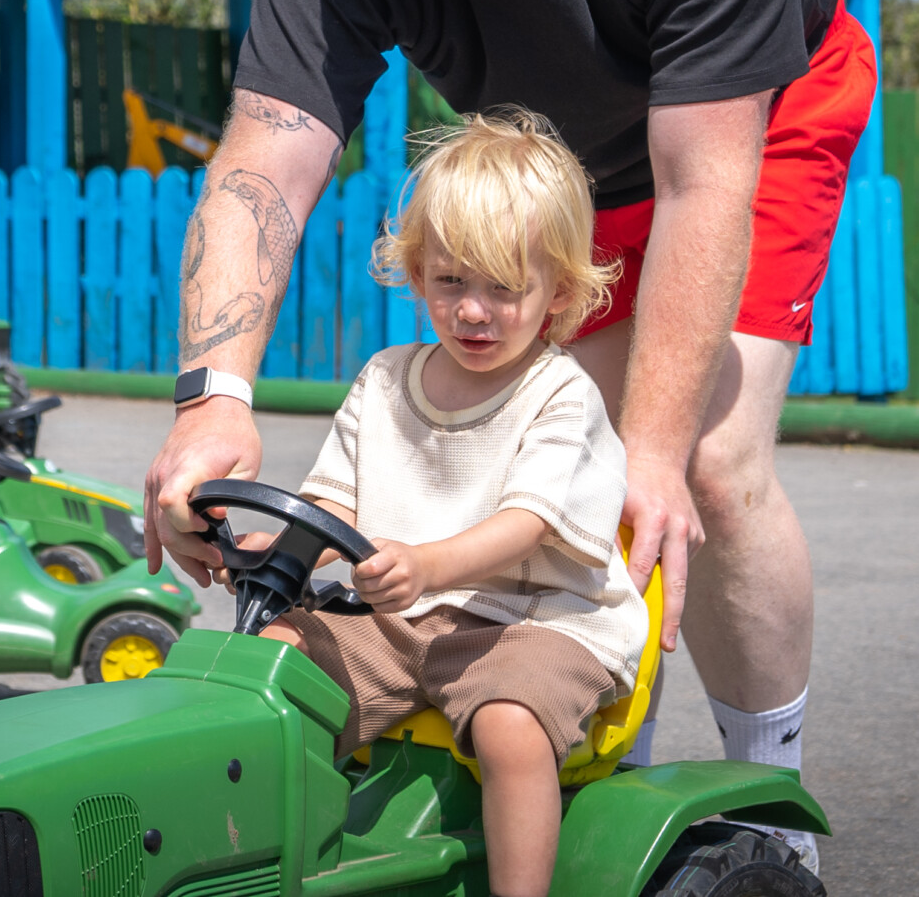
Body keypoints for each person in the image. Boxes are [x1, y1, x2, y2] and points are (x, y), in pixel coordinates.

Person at [148, 0, 871, 870]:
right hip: (554, 158)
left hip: (755, 111)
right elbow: (262, 164)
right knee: (538, 449)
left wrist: (645, 448)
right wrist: (209, 402)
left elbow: (705, 184)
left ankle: (767, 808)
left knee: (693, 463)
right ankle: (590, 749)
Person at [251, 111, 643, 897]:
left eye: (503, 287)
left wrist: (426, 563)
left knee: (508, 726)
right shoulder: (387, 377)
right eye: (453, 279)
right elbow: (335, 501)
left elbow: (526, 525)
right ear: (419, 269)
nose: (472, 310)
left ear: (558, 290)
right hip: (404, 619)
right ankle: (281, 866)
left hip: (534, 620)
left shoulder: (559, 394)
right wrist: (285, 546)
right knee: (275, 670)